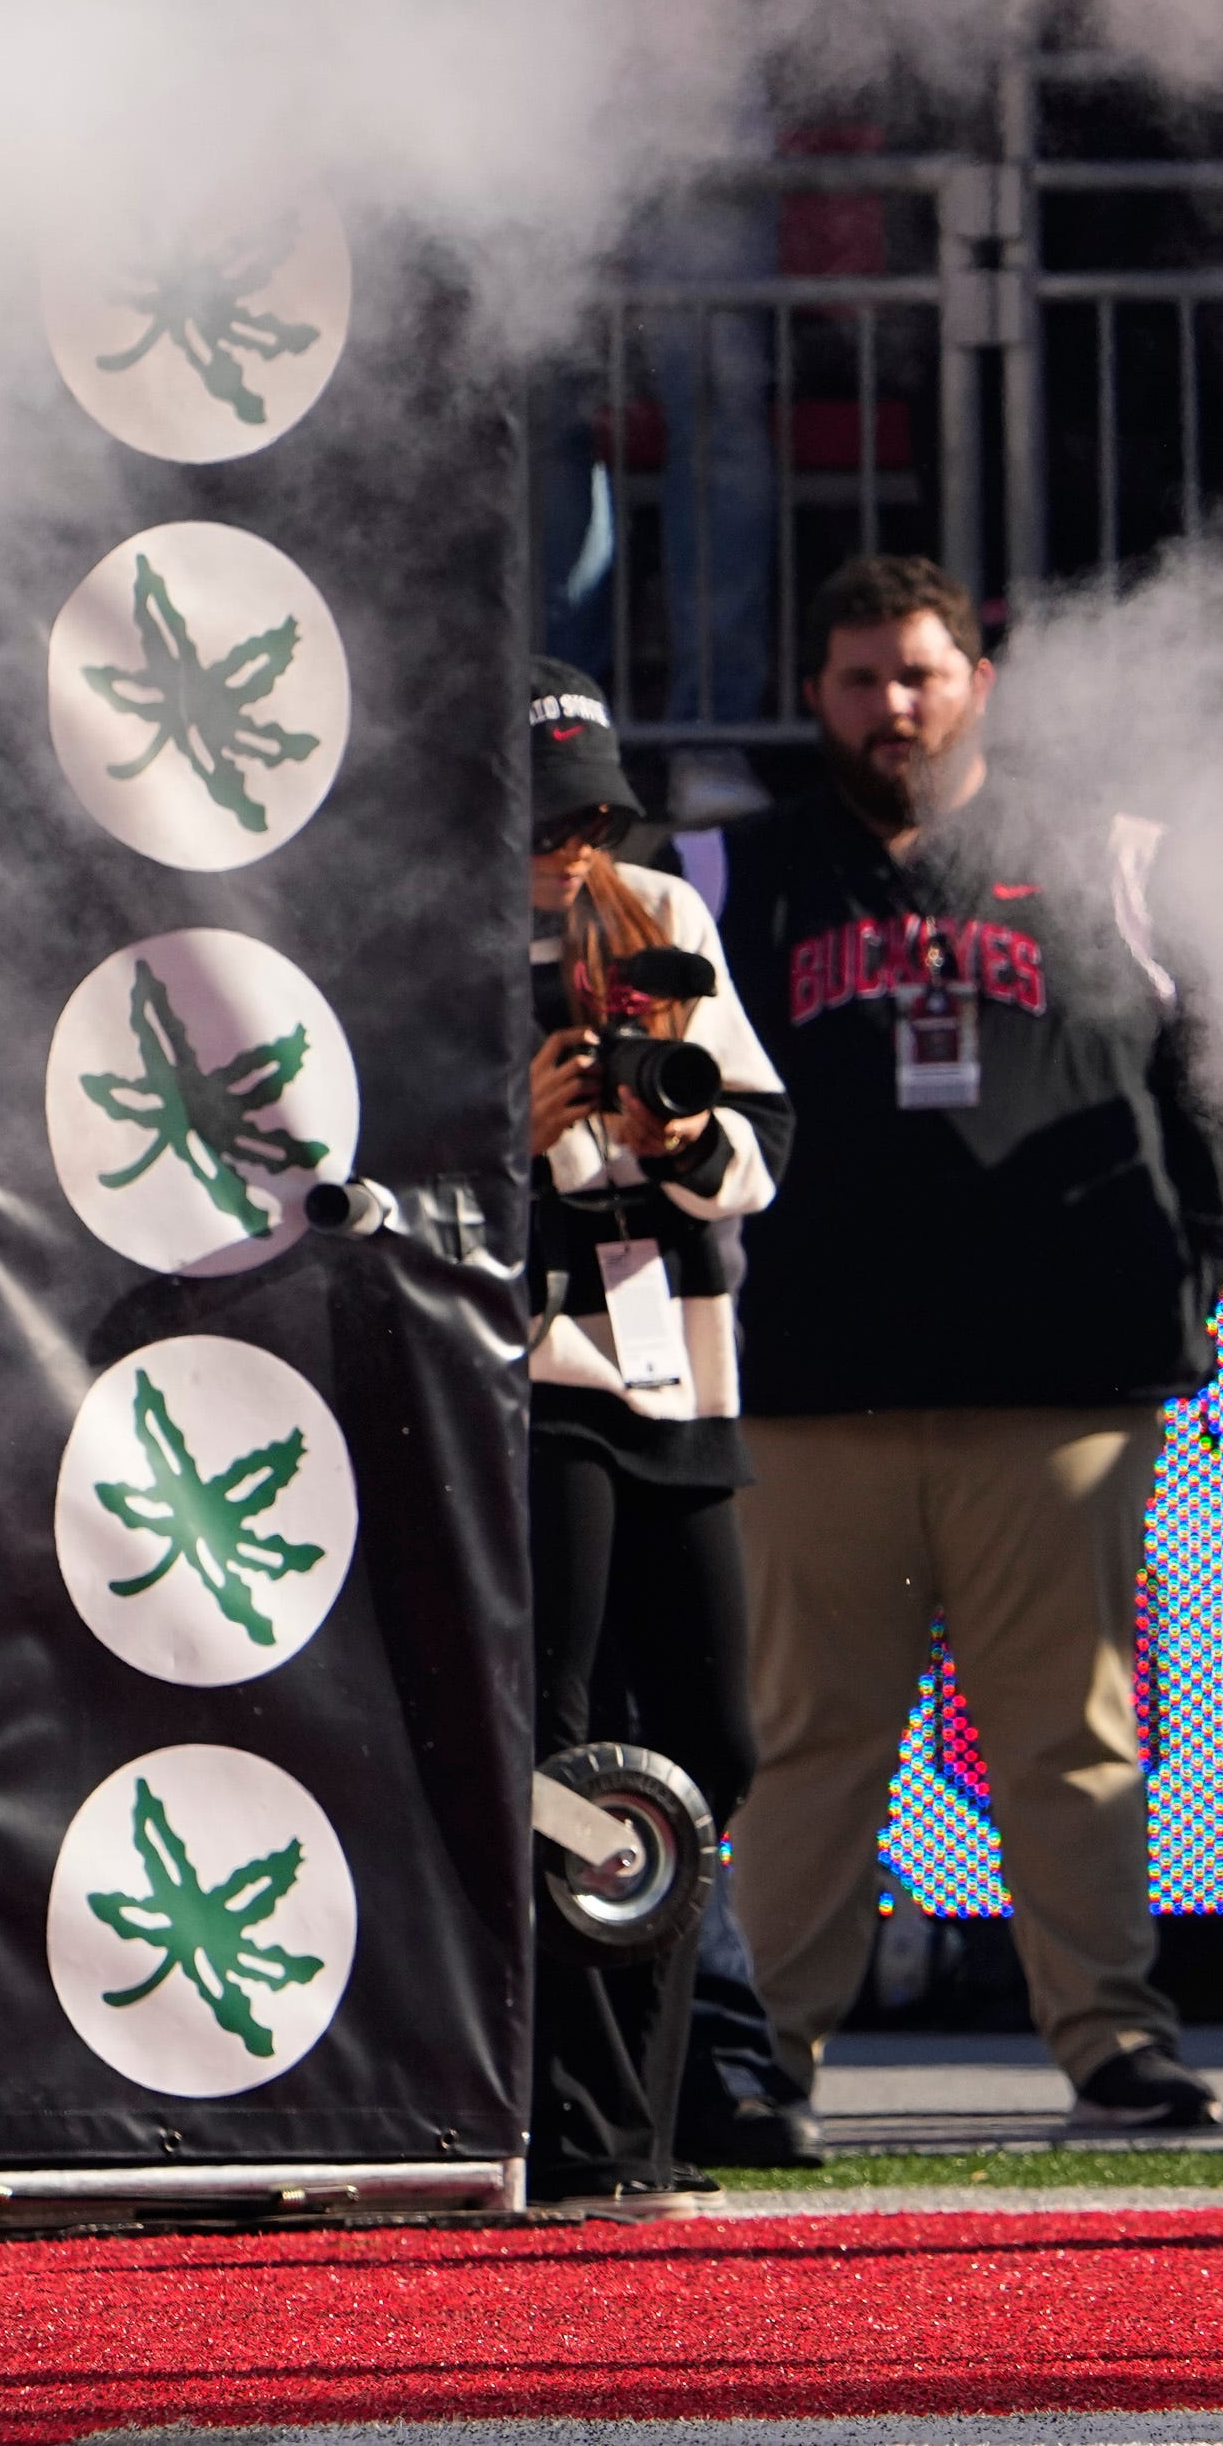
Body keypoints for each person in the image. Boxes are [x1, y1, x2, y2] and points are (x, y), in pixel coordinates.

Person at [722, 554, 1223, 2139]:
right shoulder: (731, 875)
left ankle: (1111, 2034)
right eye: (857, 678)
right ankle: (768, 2054)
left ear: (981, 683)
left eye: (919, 673)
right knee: (817, 1744)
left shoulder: (1112, 863)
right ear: (811, 695)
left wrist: (1213, 1257)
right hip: (818, 1382)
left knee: (1070, 1734)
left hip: (1057, 1377)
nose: (890, 706)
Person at [520, 662, 788, 2202]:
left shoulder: (656, 908)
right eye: (556, 817)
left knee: (712, 1752)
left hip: (678, 1354)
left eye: (602, 812)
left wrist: (684, 1135)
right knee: (561, 1752)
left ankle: (653, 2106)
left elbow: (764, 1125)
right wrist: (525, 1119)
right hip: (536, 1362)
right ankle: (580, 2126)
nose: (580, 845)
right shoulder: (427, 929)